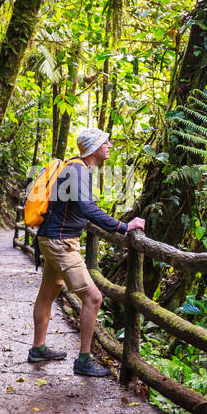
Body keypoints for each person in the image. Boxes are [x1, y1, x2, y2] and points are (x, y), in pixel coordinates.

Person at [28, 127, 146, 376]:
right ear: (94, 147)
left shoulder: (74, 167)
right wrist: (124, 227)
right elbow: (87, 208)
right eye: (106, 142)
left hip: (52, 239)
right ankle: (83, 360)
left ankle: (38, 348)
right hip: (61, 243)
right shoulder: (78, 170)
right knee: (94, 298)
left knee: (47, 294)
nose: (110, 146)